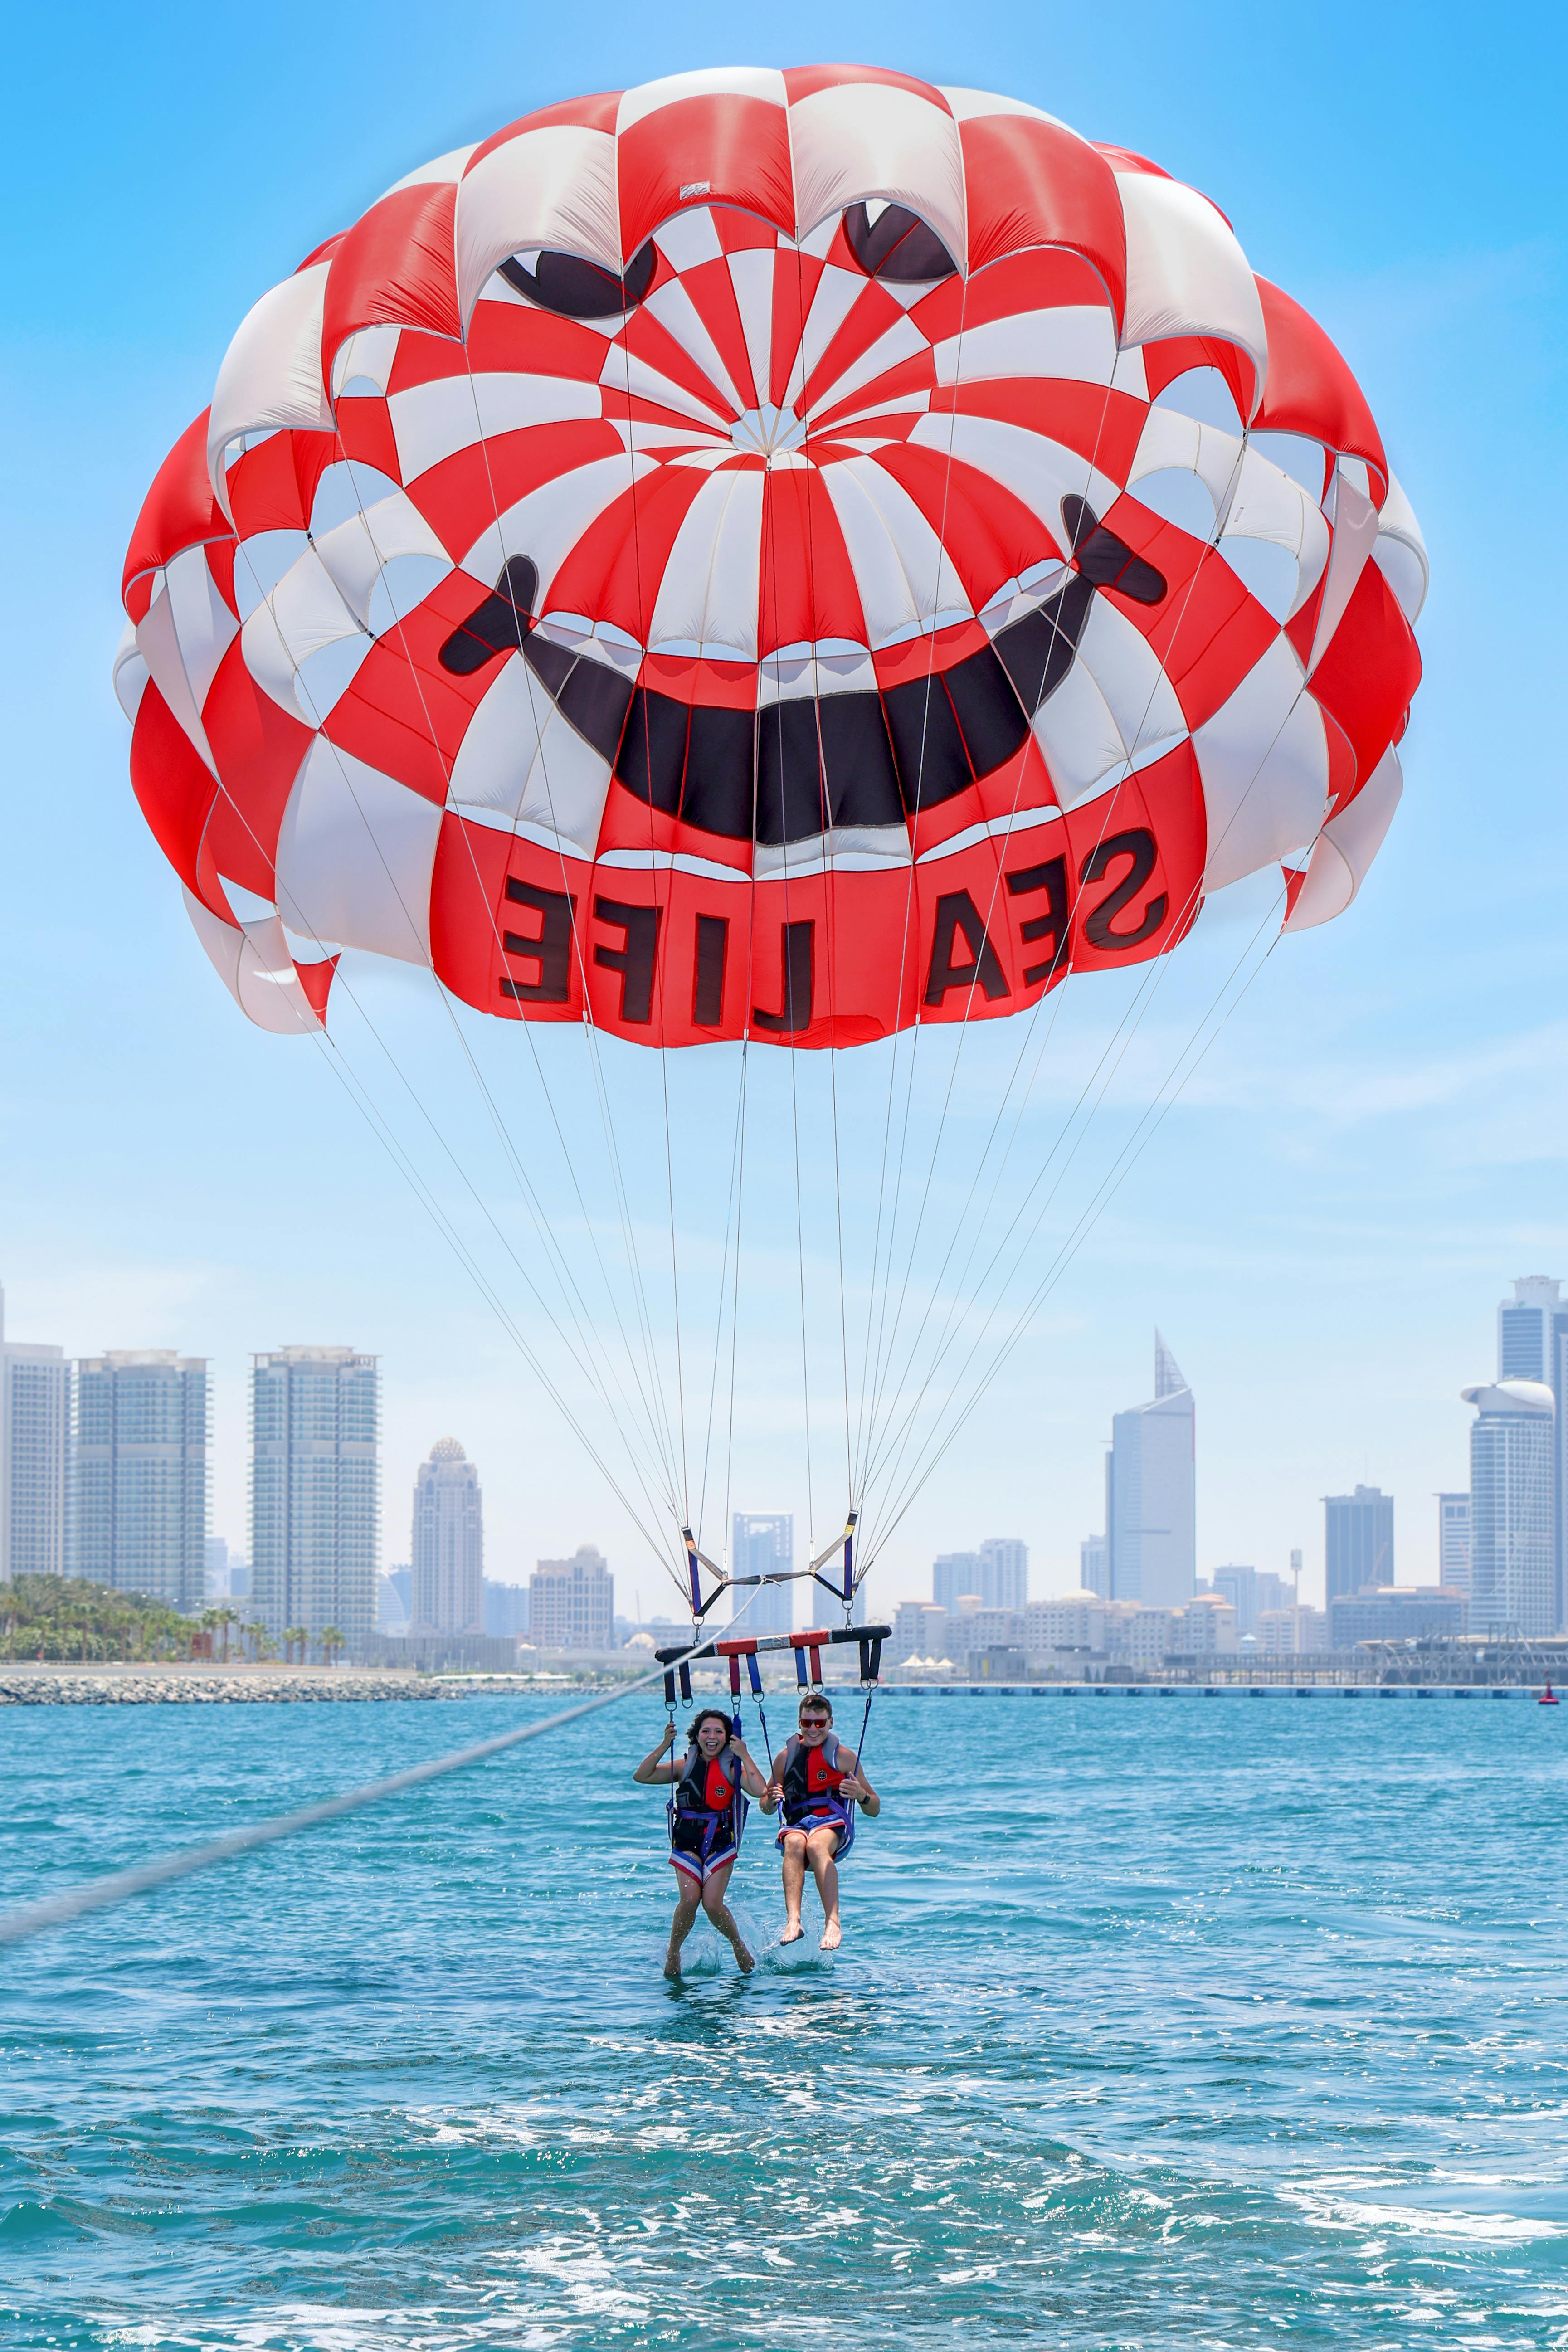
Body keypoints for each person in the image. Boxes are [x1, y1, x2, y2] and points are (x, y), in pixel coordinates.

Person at [633, 1707, 773, 1979]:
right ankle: (674, 1952)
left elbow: (760, 1791)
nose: (712, 1737)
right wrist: (665, 1744)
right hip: (687, 1841)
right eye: (706, 1731)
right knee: (689, 1899)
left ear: (727, 1738)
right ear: (696, 1737)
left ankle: (738, 1945)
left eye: (719, 1732)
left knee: (711, 1904)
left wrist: (744, 1754)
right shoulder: (684, 1765)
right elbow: (642, 1775)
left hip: (721, 1841)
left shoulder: (733, 1769)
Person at [772, 1691, 878, 1950]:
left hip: (831, 1824)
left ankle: (833, 1921)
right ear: (799, 1723)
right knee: (794, 1844)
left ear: (831, 1723)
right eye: (807, 1723)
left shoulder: (843, 1757)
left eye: (820, 1723)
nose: (813, 1729)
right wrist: (770, 1799)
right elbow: (766, 1805)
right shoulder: (785, 1758)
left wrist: (861, 1796)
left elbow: (874, 1807)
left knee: (816, 1846)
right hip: (797, 1824)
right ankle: (793, 1921)